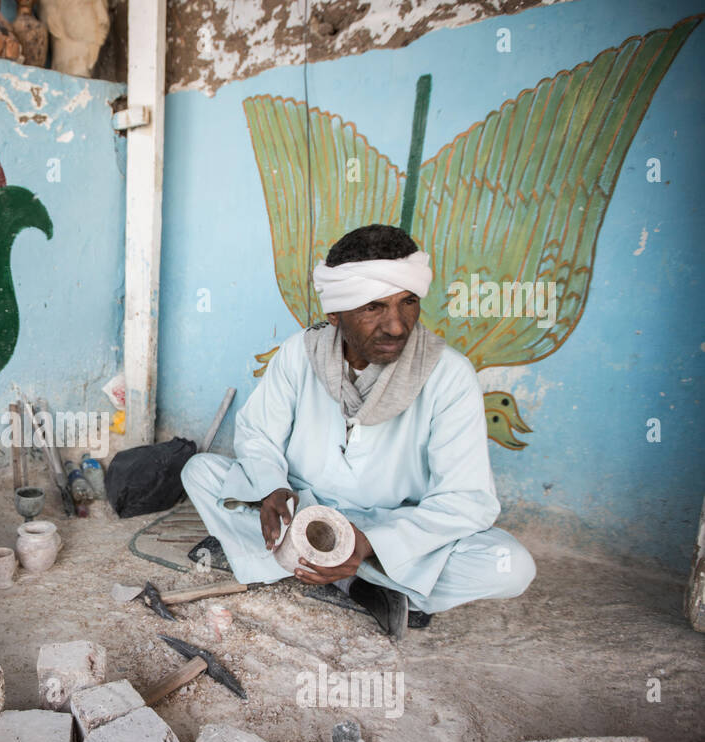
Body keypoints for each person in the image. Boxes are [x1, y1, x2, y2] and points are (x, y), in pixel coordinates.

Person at [182, 224, 535, 638]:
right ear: (335, 314)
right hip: (305, 511)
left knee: (510, 565)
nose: (397, 326)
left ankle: (326, 570)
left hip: (390, 526)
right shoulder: (299, 354)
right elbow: (259, 435)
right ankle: (363, 584)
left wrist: (370, 543)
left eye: (408, 302)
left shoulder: (449, 374)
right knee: (200, 471)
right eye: (373, 307)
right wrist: (271, 488)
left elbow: (467, 500)